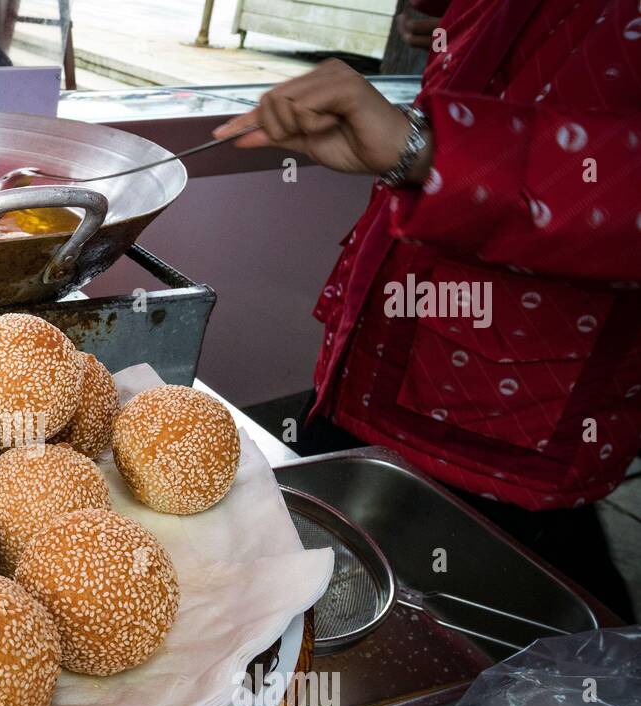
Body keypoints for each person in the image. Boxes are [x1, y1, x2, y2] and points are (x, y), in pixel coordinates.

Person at [214, 0, 640, 622]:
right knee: (315, 566)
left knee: (511, 632)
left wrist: (429, 151)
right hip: (375, 348)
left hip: (520, 409)